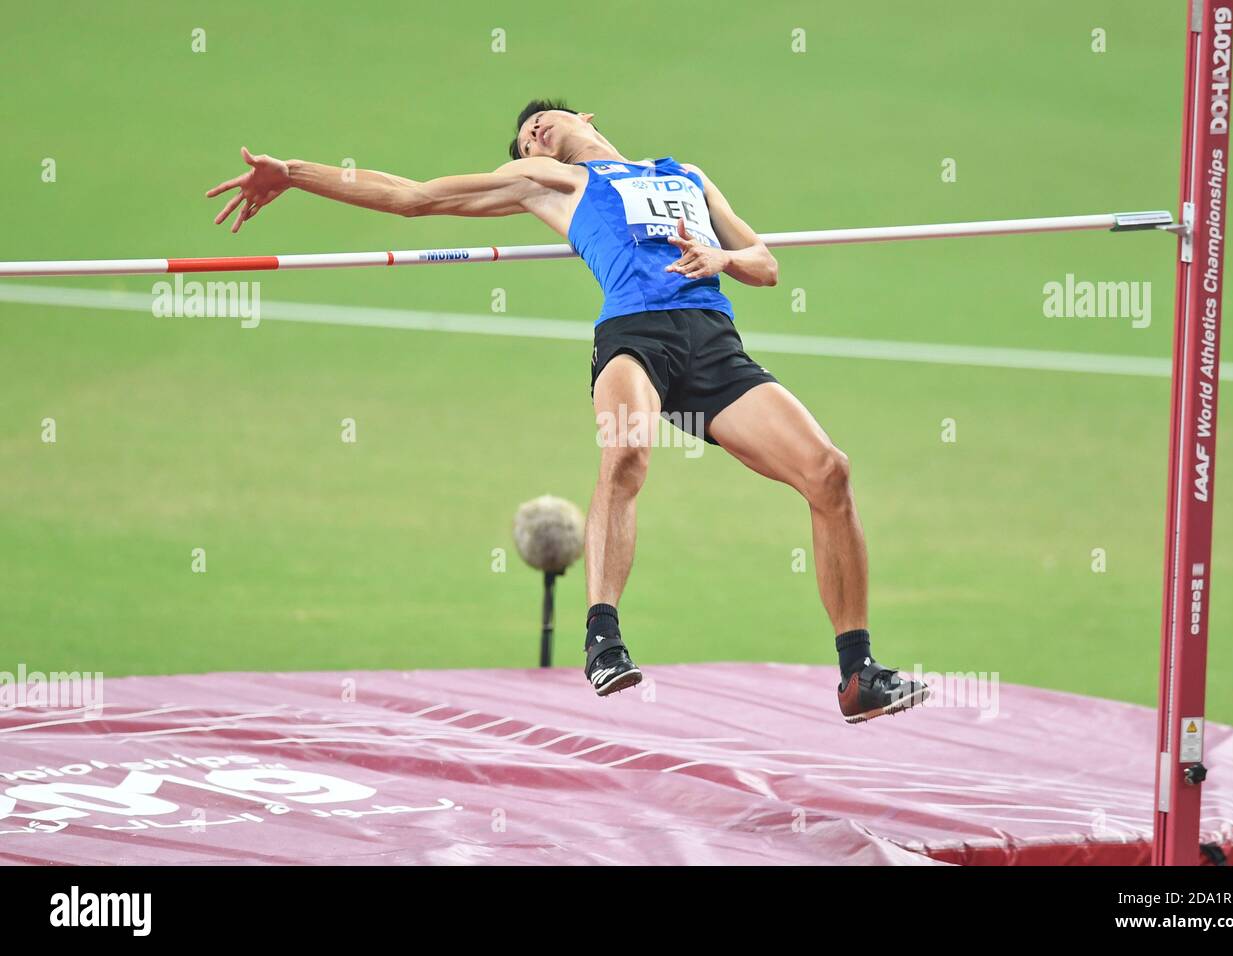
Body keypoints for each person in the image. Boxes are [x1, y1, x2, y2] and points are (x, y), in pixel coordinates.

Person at [205, 99, 928, 723]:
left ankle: (858, 675)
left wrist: (723, 261)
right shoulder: (554, 180)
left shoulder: (687, 176)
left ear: (583, 119)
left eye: (539, 124)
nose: (531, 139)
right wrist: (294, 174)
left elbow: (765, 264)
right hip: (635, 338)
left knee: (829, 472)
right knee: (628, 453)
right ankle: (604, 638)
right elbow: (413, 196)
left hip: (714, 344)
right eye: (522, 141)